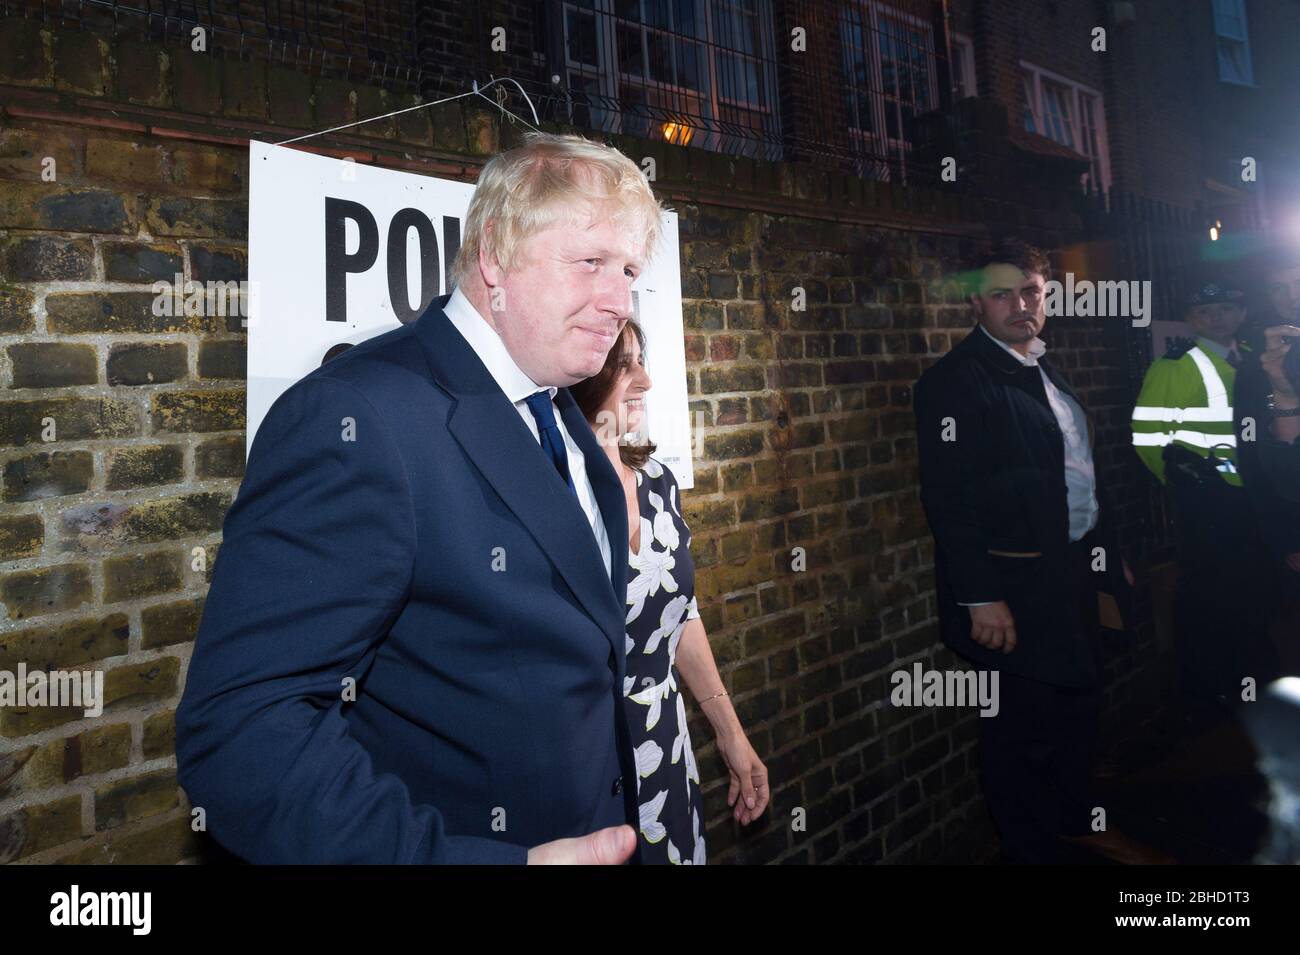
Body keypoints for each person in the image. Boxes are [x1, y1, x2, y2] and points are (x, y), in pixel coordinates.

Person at [176, 131, 667, 864]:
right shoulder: (360, 419)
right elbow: (239, 734)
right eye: (591, 262)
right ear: (495, 255)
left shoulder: (562, 412)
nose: (618, 301)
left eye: (627, 269)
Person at [914, 237, 1156, 864]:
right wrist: (981, 596)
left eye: (1031, 292)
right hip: (1011, 587)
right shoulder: (955, 383)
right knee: (1018, 725)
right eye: (1003, 293)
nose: (1020, 305)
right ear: (977, 303)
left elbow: (1079, 474)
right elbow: (949, 497)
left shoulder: (1045, 367)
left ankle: (1075, 819)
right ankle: (1026, 848)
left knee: (1077, 704)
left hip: (1073, 571)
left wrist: (1107, 552)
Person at [570, 320, 769, 863]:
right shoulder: (553, 490)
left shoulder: (658, 481)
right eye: (624, 365)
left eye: (642, 360)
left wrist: (730, 734)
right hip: (587, 758)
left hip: (665, 744)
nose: (646, 381)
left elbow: (678, 614)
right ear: (582, 373)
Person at [1131, 275, 1280, 725]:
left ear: (1243, 314)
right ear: (1191, 319)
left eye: (1227, 309)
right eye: (1206, 311)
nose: (1218, 317)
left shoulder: (1257, 360)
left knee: (1253, 592)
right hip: (1209, 501)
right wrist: (1183, 485)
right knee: (1208, 597)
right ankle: (1207, 693)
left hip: (1254, 498)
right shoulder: (1175, 365)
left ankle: (1251, 681)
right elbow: (1146, 434)